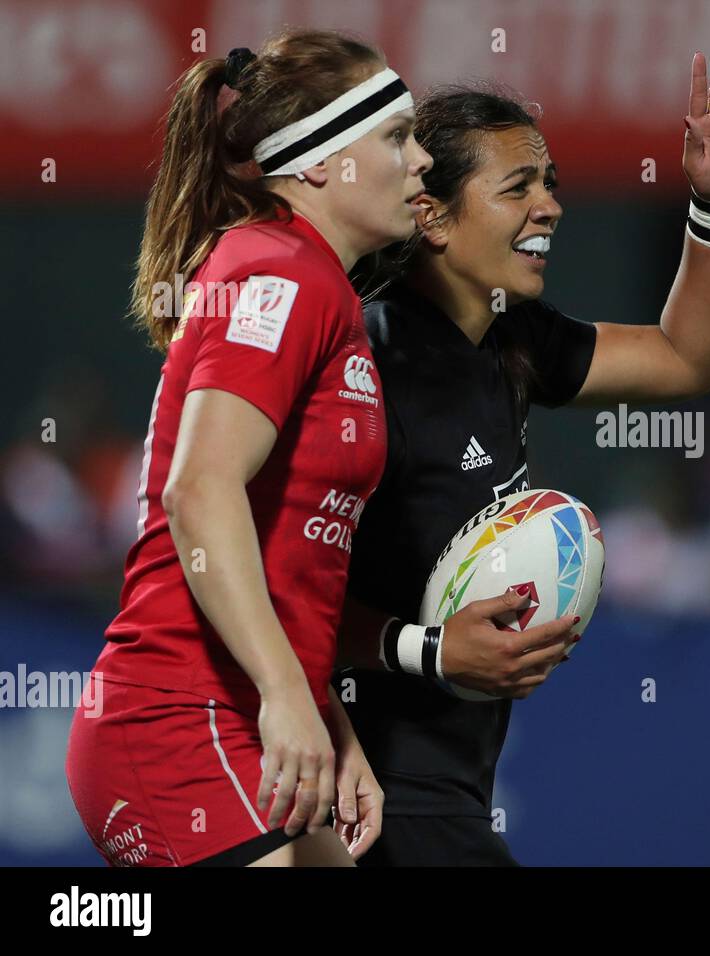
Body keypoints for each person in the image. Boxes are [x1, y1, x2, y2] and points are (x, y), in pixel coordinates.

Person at [334, 42, 710, 865]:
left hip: (452, 786)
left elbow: (687, 359)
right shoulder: (366, 363)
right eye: (518, 187)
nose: (551, 207)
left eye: (550, 183)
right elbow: (275, 591)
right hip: (372, 789)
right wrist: (425, 646)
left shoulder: (511, 335)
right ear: (433, 215)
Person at [65, 30, 432, 867]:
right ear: (317, 163)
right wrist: (284, 695)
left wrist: (325, 721)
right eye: (395, 137)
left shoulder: (313, 284)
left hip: (240, 718)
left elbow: (281, 556)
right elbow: (197, 492)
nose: (420, 164)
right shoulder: (280, 274)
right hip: (178, 721)